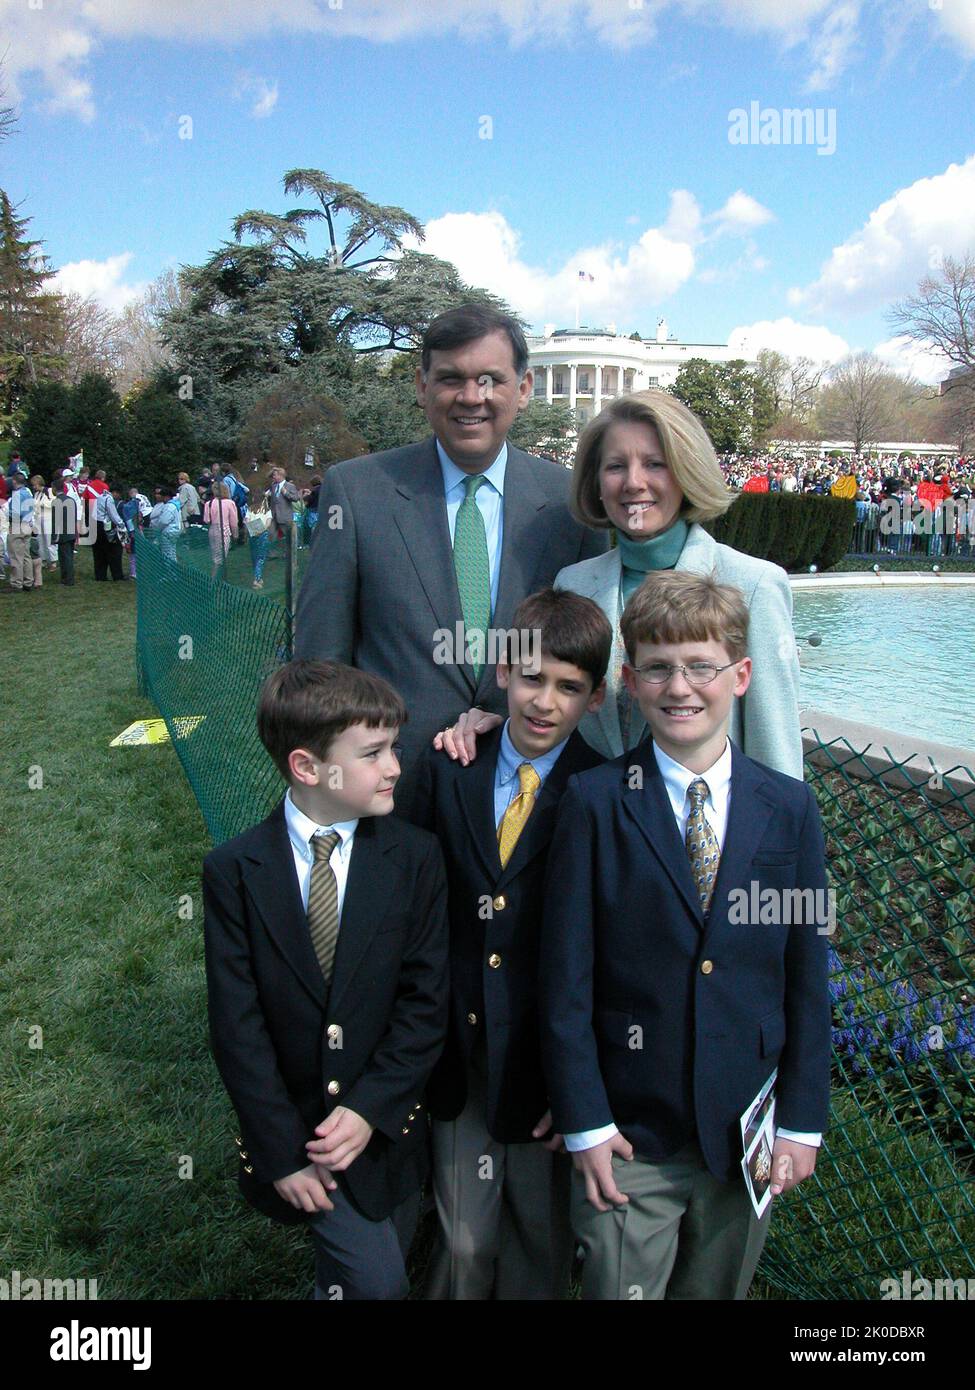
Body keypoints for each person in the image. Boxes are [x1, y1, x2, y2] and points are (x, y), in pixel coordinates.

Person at [539, 571, 830, 1301]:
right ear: (630, 682)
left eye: (701, 667)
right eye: (659, 669)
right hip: (630, 1132)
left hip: (746, 1130)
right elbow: (563, 981)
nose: (681, 688)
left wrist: (801, 1121)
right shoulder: (594, 803)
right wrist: (585, 1122)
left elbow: (805, 977)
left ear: (740, 675)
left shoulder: (788, 808)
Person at [203, 660, 449, 1300]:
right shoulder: (234, 872)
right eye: (374, 752)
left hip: (388, 1129)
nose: (396, 765)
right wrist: (280, 1150)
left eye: (394, 746)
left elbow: (426, 1004)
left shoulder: (415, 858)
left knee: (362, 1267)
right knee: (379, 1284)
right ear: (308, 768)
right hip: (302, 1140)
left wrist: (371, 1107)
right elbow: (238, 1027)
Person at [294, 303, 607, 804]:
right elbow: (319, 661)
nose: (471, 397)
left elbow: (589, 653)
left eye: (490, 379)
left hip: (534, 798)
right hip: (395, 791)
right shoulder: (357, 491)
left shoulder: (572, 503)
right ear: (422, 387)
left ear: (523, 389)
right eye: (450, 378)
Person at [408, 588, 611, 1300]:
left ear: (595, 698)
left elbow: (611, 956)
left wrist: (585, 1087)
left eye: (568, 687)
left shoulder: (605, 792)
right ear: (500, 669)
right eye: (530, 677)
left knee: (539, 1246)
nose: (544, 701)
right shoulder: (447, 767)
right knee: (463, 1241)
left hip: (547, 1065)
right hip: (457, 1055)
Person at [441, 390, 802, 780]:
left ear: (686, 470)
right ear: (596, 481)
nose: (633, 483)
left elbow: (774, 750)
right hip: (591, 824)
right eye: (615, 466)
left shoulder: (754, 586)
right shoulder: (575, 583)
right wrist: (496, 727)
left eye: (654, 464)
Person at [92, 483, 127, 581]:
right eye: (119, 494)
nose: (119, 497)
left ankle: (100, 575)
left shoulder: (99, 496)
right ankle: (117, 575)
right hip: (106, 527)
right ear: (116, 492)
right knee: (114, 551)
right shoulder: (109, 499)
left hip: (96, 525)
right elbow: (113, 514)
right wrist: (121, 524)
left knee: (99, 552)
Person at [6, 470, 35, 592]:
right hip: (28, 525)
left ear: (14, 481)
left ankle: (16, 583)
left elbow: (15, 513)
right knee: (26, 555)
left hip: (18, 525)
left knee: (16, 555)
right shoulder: (27, 493)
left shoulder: (17, 495)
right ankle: (28, 581)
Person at [203, 481, 239, 575]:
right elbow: (234, 522)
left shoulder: (208, 503)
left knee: (215, 555)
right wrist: (235, 534)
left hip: (212, 530)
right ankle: (214, 579)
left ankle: (220, 577)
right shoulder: (229, 503)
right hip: (224, 530)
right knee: (220, 558)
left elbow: (206, 520)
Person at [52, 479, 80, 585]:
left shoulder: (56, 501)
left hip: (63, 534)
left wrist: (54, 537)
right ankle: (68, 578)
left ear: (55, 488)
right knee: (69, 557)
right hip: (71, 532)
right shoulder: (71, 500)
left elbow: (56, 521)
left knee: (64, 558)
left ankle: (67, 579)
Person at [31, 475, 57, 572]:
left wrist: (43, 504)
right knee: (40, 540)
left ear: (39, 483)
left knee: (49, 540)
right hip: (38, 519)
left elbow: (54, 502)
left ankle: (53, 561)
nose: (34, 487)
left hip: (48, 518)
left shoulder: (49, 491)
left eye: (35, 485)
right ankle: (44, 560)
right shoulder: (36, 494)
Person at [149, 485, 182, 563]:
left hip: (168, 533)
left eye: (162, 496)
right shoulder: (174, 505)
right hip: (173, 532)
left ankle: (170, 573)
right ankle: (173, 572)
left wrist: (157, 528)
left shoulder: (169, 506)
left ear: (166, 496)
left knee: (168, 555)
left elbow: (163, 521)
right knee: (171, 553)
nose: (161, 497)